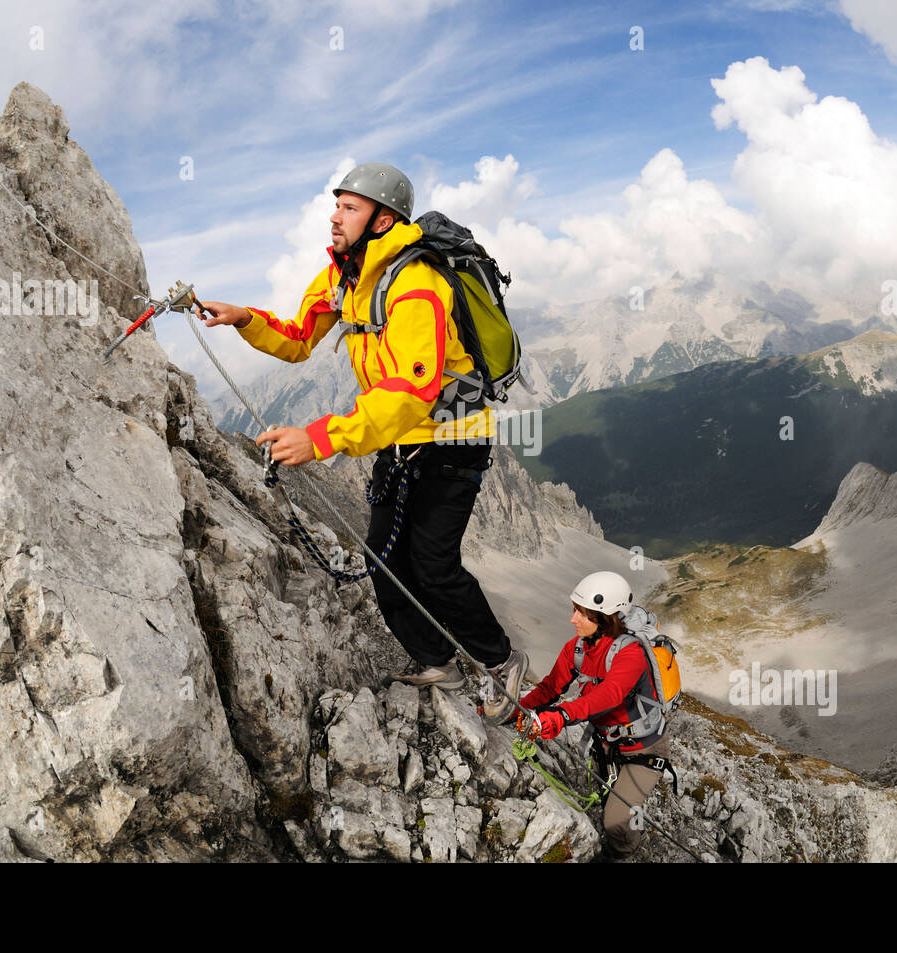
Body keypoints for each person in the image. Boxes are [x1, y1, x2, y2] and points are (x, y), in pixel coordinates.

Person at [196, 162, 527, 722]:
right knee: (384, 559)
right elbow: (300, 338)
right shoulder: (345, 277)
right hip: (396, 444)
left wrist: (320, 438)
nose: (334, 216)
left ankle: (501, 662)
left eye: (349, 207)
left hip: (451, 442)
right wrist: (244, 318)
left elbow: (409, 394)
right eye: (337, 205)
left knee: (432, 562)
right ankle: (436, 658)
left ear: (382, 219)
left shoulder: (417, 284)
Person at [517, 571, 671, 858]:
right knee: (602, 800)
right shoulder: (576, 649)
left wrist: (561, 716)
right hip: (605, 744)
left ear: (604, 618)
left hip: (644, 748)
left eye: (581, 613)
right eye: (574, 610)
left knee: (616, 821)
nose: (572, 619)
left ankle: (622, 853)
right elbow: (551, 687)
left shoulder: (631, 653)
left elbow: (609, 695)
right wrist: (519, 707)